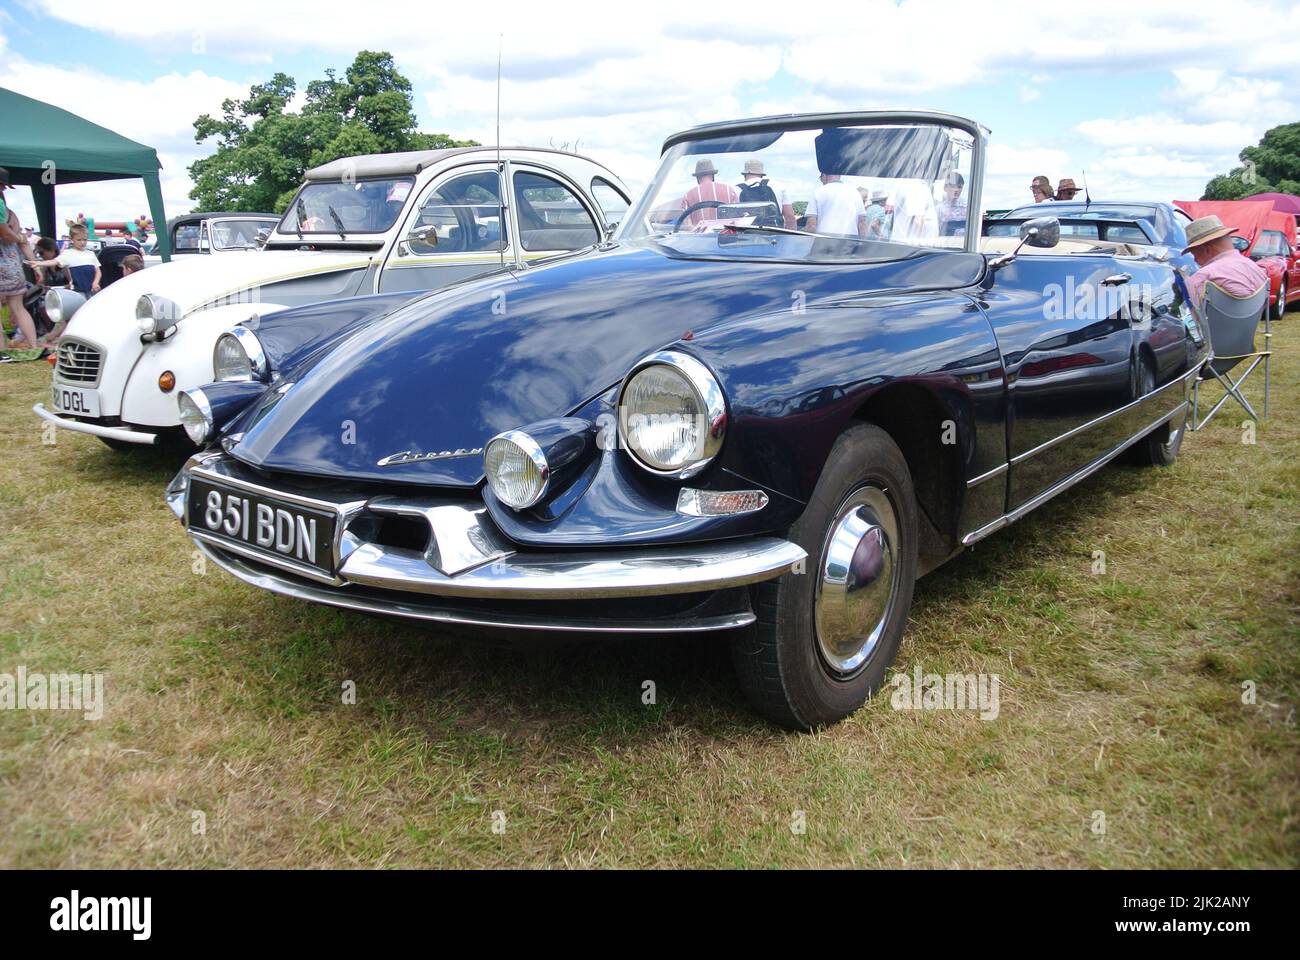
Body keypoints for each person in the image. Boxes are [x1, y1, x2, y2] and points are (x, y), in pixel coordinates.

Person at [1181, 215, 1268, 308]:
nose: (1195, 260)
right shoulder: (1256, 269)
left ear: (1207, 250)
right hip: (1252, 322)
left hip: (1215, 322)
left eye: (1195, 255)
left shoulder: (1203, 276)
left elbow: (1191, 315)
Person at [0, 167, 42, 352]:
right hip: (13, 267)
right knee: (18, 307)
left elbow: (10, 236)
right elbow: (24, 243)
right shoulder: (12, 215)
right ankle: (34, 346)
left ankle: (2, 352)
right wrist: (36, 266)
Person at [32, 223, 100, 294]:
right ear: (71, 239)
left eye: (85, 240)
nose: (82, 242)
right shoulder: (67, 254)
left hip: (87, 290)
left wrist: (95, 283)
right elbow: (54, 262)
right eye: (79, 240)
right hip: (74, 292)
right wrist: (39, 264)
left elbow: (98, 271)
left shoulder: (90, 254)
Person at [678, 159, 738, 227]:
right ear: (712, 175)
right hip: (726, 235)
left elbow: (688, 225)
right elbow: (737, 219)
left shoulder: (688, 196)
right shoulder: (729, 190)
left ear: (697, 177)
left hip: (699, 237)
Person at [736, 160, 795, 228]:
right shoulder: (779, 186)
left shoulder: (736, 189)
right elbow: (790, 217)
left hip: (746, 234)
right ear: (761, 174)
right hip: (775, 234)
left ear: (745, 174)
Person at [890, 178, 940, 243]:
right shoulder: (917, 187)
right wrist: (921, 244)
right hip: (913, 247)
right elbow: (918, 221)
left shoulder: (911, 186)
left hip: (906, 245)